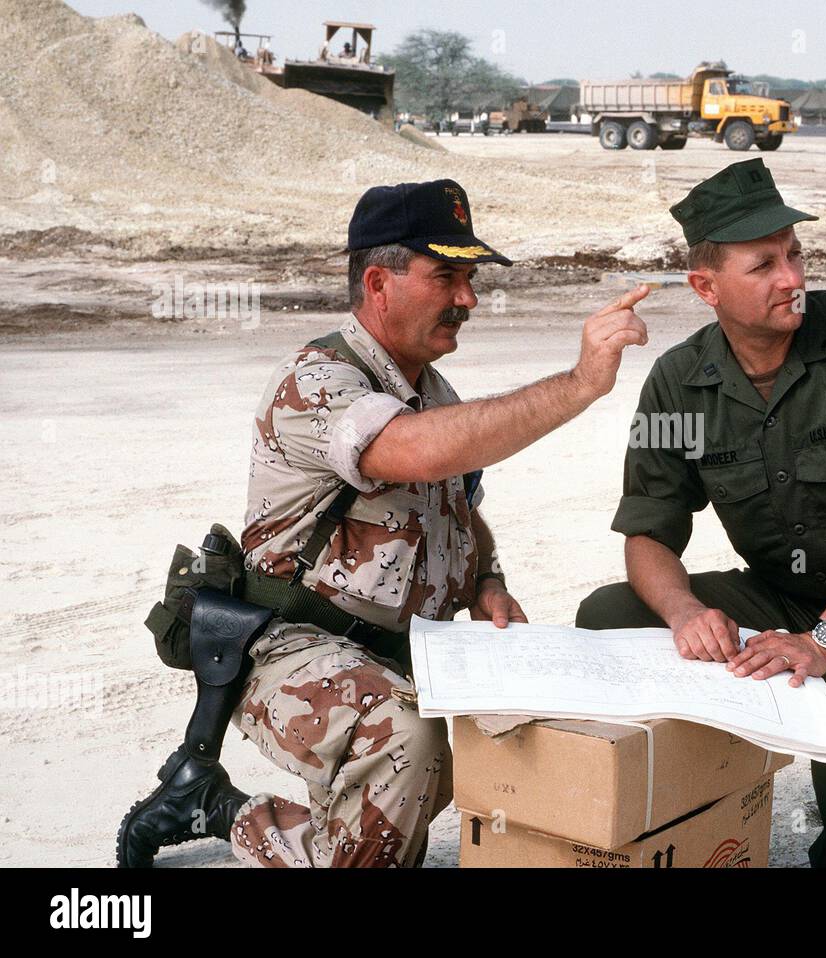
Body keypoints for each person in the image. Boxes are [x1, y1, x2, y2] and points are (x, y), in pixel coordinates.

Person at [118, 180, 650, 867]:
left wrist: (486, 580)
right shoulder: (315, 383)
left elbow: (459, 502)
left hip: (393, 654)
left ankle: (214, 806)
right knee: (406, 743)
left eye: (471, 278)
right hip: (281, 648)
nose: (469, 299)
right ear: (379, 282)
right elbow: (417, 451)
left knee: (471, 755)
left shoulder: (432, 390)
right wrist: (580, 382)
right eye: (448, 277)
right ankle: (225, 808)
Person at [576, 158, 826, 867]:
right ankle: (709, 778)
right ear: (706, 287)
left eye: (795, 254)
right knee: (610, 617)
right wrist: (681, 612)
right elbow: (648, 530)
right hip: (785, 602)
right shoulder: (680, 379)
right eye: (764, 264)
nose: (793, 278)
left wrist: (825, 638)